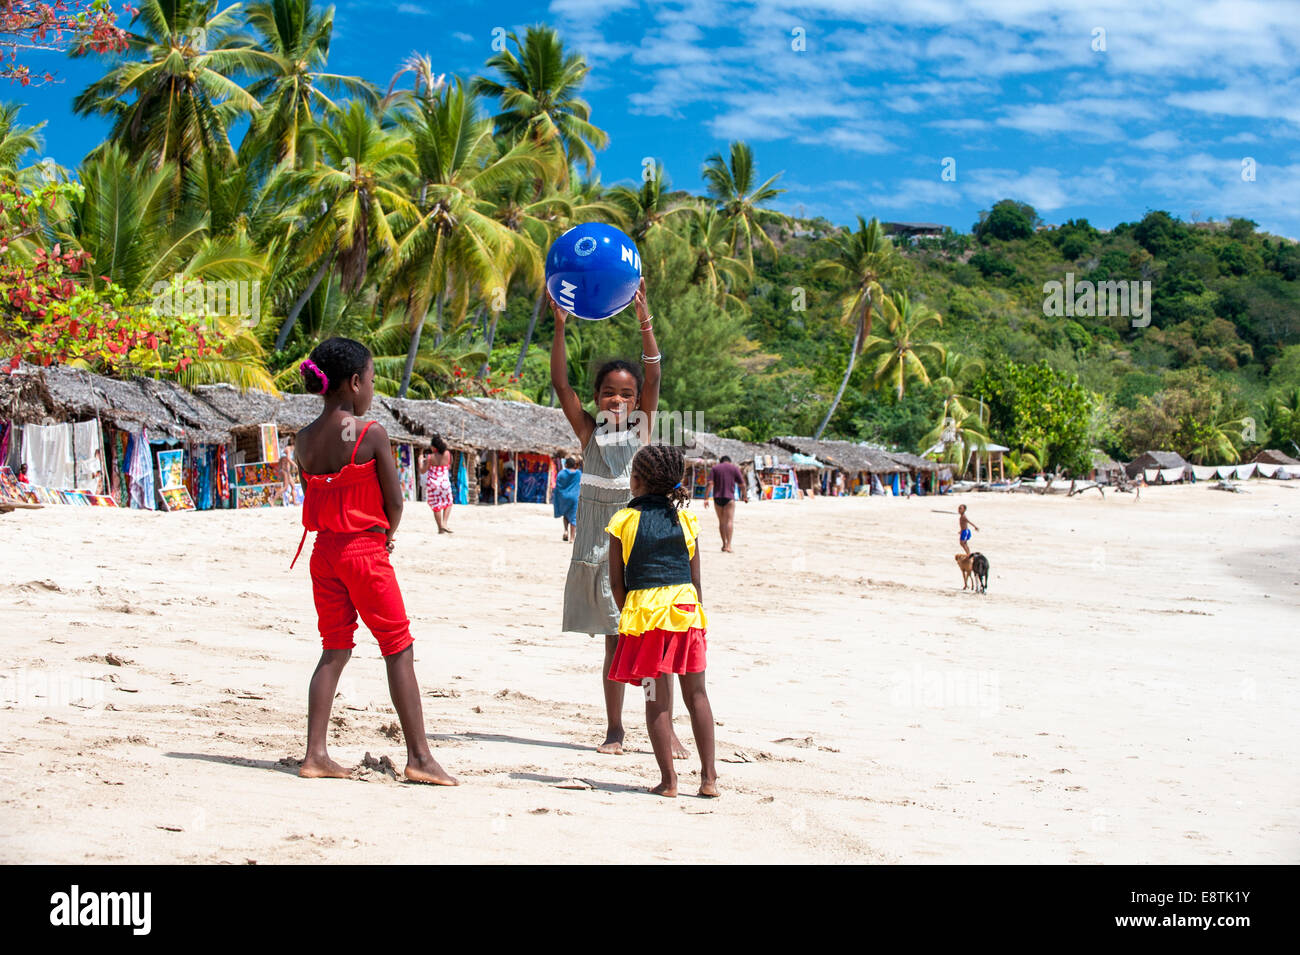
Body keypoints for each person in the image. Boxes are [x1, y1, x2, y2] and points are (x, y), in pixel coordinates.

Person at [290, 337, 456, 786]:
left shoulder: (302, 439)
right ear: (355, 381)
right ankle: (419, 756)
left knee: (335, 648)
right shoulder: (370, 433)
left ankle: (316, 754)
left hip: (323, 554)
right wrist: (385, 536)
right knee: (398, 648)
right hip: (364, 551)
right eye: (372, 380)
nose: (372, 389)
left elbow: (319, 492)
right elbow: (396, 502)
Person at [549, 276, 688, 759]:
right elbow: (560, 383)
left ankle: (664, 728)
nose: (616, 399)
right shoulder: (587, 432)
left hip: (640, 549)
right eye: (608, 392)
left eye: (624, 395)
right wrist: (561, 327)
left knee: (651, 647)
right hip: (597, 549)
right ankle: (614, 729)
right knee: (613, 644)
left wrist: (644, 318)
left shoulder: (644, 427)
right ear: (598, 396)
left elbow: (653, 375)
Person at [606, 444, 717, 798]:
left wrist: (631, 615)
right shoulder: (686, 520)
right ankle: (709, 778)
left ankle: (669, 782)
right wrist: (698, 621)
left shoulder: (623, 521)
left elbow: (615, 582)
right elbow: (695, 580)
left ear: (635, 481)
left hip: (646, 619)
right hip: (685, 612)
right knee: (697, 694)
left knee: (656, 699)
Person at [704, 455, 746, 552]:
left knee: (722, 522)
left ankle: (723, 544)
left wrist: (706, 498)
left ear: (721, 461)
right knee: (729, 521)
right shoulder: (734, 468)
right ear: (729, 461)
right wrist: (744, 496)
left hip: (717, 498)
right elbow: (742, 484)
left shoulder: (715, 468)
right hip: (729, 498)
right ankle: (729, 545)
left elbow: (710, 483)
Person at [417, 435, 454, 533]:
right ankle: (445, 523)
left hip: (433, 484)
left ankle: (440, 528)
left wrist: (420, 461)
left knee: (436, 506)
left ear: (434, 447)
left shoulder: (430, 457)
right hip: (445, 483)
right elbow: (449, 466)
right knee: (448, 502)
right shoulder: (448, 454)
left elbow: (422, 471)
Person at [553, 456, 581, 541]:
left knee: (565, 514)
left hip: (563, 497)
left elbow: (558, 486)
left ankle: (565, 531)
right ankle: (572, 538)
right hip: (574, 497)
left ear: (566, 464)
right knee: (573, 517)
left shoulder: (561, 473)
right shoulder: (578, 473)